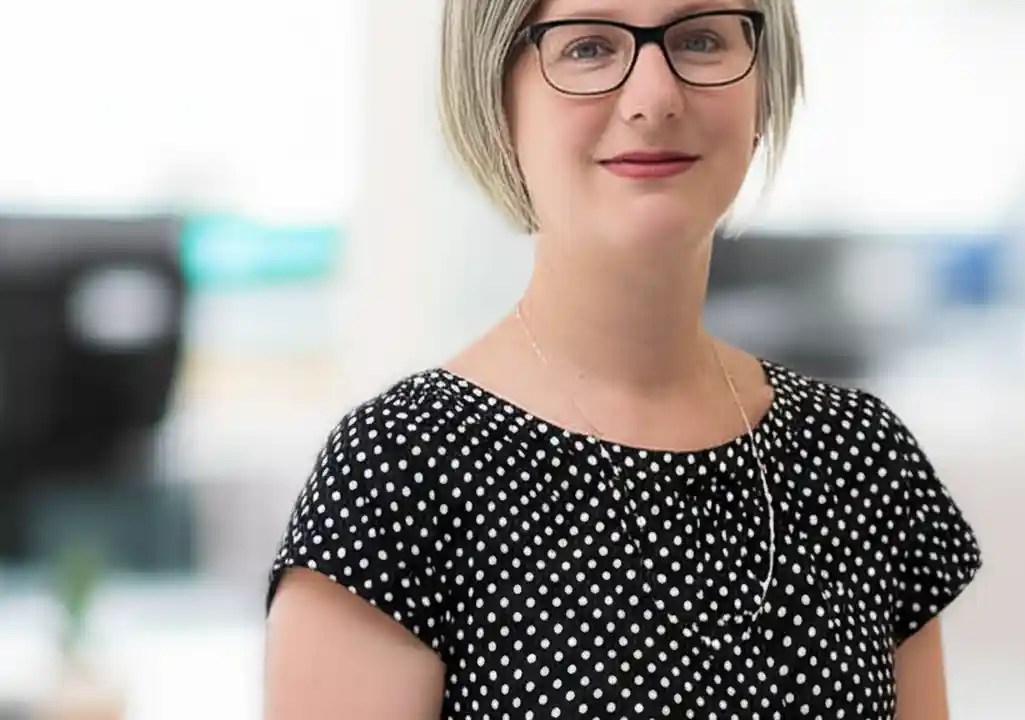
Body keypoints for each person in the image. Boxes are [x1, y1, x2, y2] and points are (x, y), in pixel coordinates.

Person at [263, 0, 983, 718]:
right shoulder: (399, 472)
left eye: (701, 39)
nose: (654, 97)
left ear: (765, 84)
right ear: (498, 98)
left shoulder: (860, 458)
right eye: (588, 48)